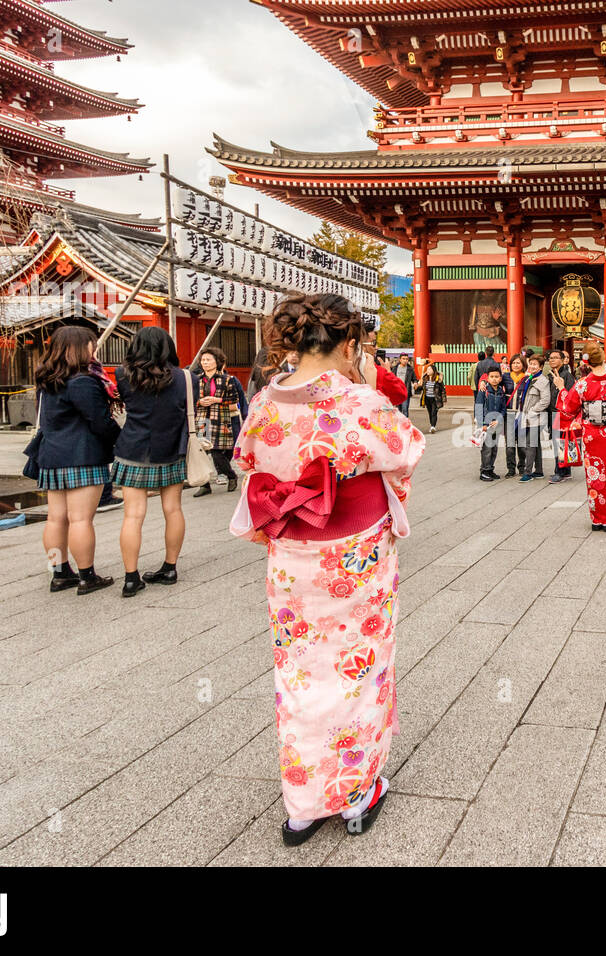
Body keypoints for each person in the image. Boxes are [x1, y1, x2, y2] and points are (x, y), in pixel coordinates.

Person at [231, 291, 425, 845]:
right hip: (356, 551)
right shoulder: (360, 402)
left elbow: (245, 463)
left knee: (299, 670)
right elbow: (405, 452)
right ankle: (356, 791)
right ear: (349, 343)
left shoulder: (267, 402)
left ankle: (302, 803)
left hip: (293, 556)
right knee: (358, 667)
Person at [32, 326, 120, 595]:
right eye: (92, 344)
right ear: (80, 348)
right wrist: (121, 438)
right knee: (81, 519)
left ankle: (59, 573)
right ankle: (87, 575)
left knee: (56, 519)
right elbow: (100, 422)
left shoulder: (48, 379)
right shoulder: (82, 381)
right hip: (82, 456)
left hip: (52, 454)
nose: (95, 349)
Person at [111, 327, 191, 598]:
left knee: (133, 515)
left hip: (133, 450)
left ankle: (131, 578)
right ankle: (170, 568)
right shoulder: (184, 378)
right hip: (171, 450)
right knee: (173, 509)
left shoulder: (123, 374)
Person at [556, 343, 606, 530]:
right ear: (602, 358)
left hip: (591, 435)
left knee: (595, 477)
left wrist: (561, 388)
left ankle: (597, 519)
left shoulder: (582, 384)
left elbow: (568, 409)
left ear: (587, 363)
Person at [193, 346, 241, 497]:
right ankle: (204, 484)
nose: (205, 362)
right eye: (203, 360)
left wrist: (216, 400)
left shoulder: (228, 380)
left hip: (221, 417)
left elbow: (234, 400)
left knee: (216, 452)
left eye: (208, 359)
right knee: (201, 452)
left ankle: (231, 475)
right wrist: (200, 402)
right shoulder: (196, 380)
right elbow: (190, 401)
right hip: (201, 418)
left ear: (217, 362)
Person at [513, 353, 550, 481]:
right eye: (531, 363)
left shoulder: (543, 381)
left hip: (536, 417)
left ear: (540, 367)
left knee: (529, 444)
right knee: (536, 444)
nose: (532, 366)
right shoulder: (530, 378)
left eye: (535, 364)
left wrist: (532, 411)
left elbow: (545, 400)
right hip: (526, 415)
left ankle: (527, 473)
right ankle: (539, 471)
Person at [546, 349, 576, 483]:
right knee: (560, 442)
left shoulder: (566, 376)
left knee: (559, 443)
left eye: (555, 358)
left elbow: (570, 397)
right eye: (550, 358)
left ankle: (559, 472)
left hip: (561, 415)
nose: (552, 360)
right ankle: (566, 471)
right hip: (552, 413)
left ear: (562, 360)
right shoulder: (550, 375)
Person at [478, 367, 509, 481]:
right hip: (487, 425)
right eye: (492, 377)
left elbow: (503, 409)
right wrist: (483, 424)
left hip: (496, 424)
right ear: (488, 378)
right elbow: (478, 407)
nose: (494, 379)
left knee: (494, 448)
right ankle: (484, 471)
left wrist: (499, 420)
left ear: (500, 378)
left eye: (497, 377)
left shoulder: (501, 392)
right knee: (487, 448)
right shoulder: (484, 391)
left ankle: (490, 469)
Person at [416, 363, 445, 433]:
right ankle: (432, 425)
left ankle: (433, 426)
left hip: (435, 399)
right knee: (430, 413)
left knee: (434, 413)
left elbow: (442, 390)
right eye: (427, 369)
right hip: (427, 398)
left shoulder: (438, 379)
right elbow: (421, 389)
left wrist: (443, 399)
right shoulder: (425, 379)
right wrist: (417, 386)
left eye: (429, 369)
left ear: (433, 370)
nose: (428, 371)